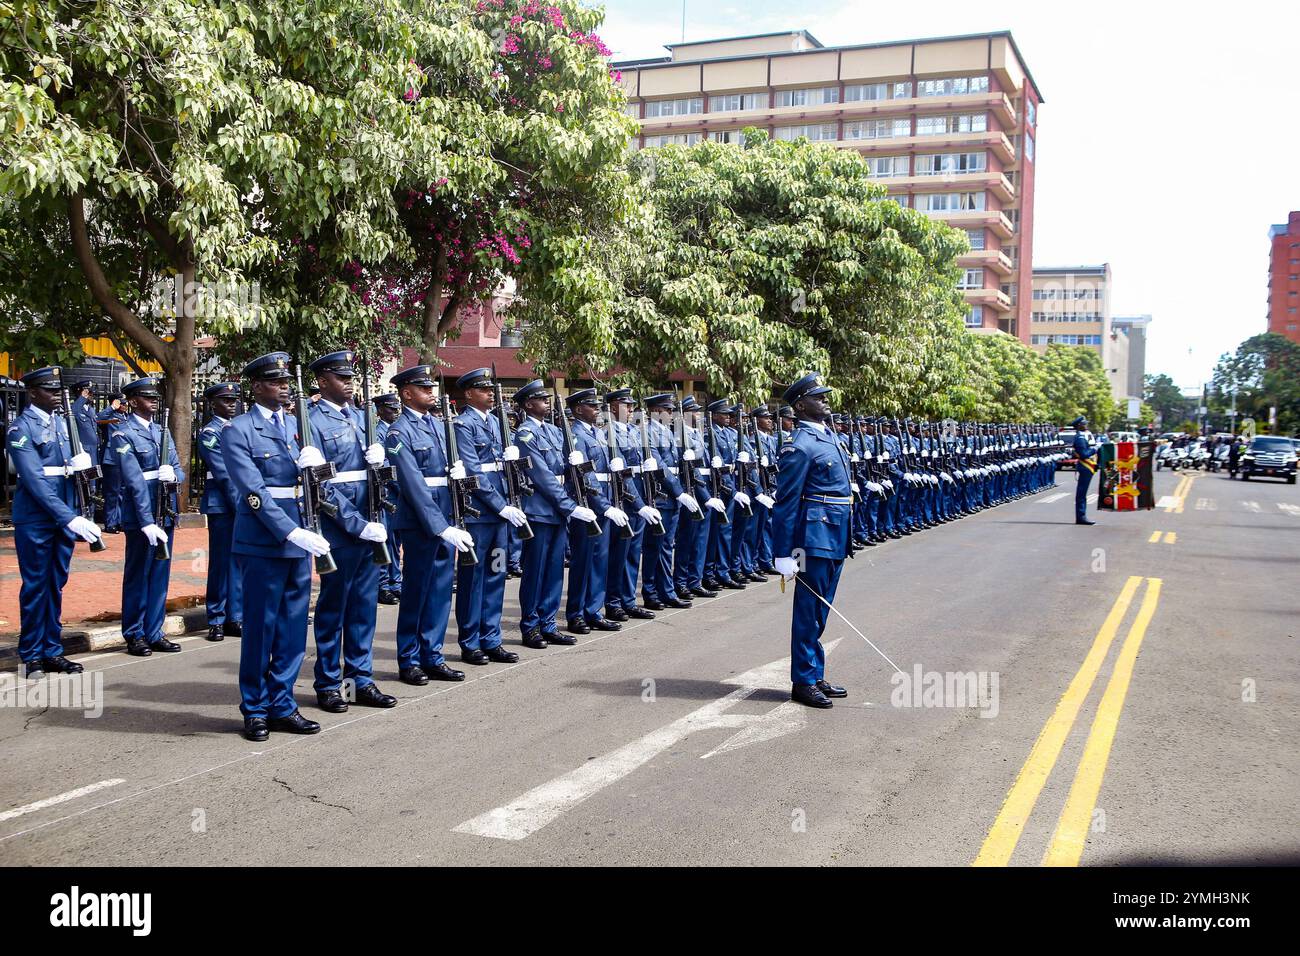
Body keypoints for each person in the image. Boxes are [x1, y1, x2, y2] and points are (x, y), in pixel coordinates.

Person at [222, 352, 327, 741]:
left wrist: (318, 467)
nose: (284, 387)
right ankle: (254, 708)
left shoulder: (298, 426)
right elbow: (252, 492)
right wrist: (288, 531)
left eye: (286, 381)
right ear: (256, 386)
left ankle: (282, 704)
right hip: (265, 541)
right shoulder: (238, 430)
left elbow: (313, 482)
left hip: (300, 536)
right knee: (261, 628)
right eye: (274, 381)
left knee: (293, 627)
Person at [306, 351, 397, 712]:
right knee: (334, 609)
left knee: (363, 608)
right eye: (340, 377)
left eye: (350, 377)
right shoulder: (312, 420)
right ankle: (329, 683)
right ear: (322, 381)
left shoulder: (364, 418)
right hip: (341, 526)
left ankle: (360, 681)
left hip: (371, 520)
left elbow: (377, 475)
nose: (348, 383)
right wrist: (358, 525)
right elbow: (320, 484)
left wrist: (382, 461)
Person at [384, 365, 474, 684]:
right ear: (407, 393)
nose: (430, 392)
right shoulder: (399, 431)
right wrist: (440, 525)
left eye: (430, 387)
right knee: (417, 591)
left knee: (439, 591)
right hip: (420, 519)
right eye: (423, 388)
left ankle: (432, 655)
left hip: (445, 514)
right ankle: (409, 659)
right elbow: (412, 484)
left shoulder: (438, 424)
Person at [6, 367, 98, 679]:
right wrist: (69, 517)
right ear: (32, 393)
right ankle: (31, 654)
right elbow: (34, 481)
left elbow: (70, 471)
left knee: (56, 584)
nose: (58, 395)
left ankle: (52, 650)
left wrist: (83, 465)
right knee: (36, 586)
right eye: (50, 390)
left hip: (64, 516)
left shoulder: (62, 423)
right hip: (36, 518)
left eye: (59, 390)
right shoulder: (20, 430)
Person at [772, 373, 851, 710]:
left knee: (821, 609)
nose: (826, 400)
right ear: (801, 405)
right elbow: (786, 502)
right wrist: (783, 554)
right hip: (813, 536)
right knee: (808, 609)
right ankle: (803, 681)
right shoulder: (799, 444)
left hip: (834, 532)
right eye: (819, 397)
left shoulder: (828, 437)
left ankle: (814, 673)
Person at [102, 377, 184, 657]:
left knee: (160, 573)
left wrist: (173, 475)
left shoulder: (163, 431)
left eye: (154, 397)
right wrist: (146, 519)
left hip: (166, 509)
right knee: (138, 574)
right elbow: (134, 479)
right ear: (133, 401)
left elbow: (178, 468)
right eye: (146, 397)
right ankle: (134, 633)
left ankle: (154, 631)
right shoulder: (122, 433)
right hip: (141, 513)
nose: (153, 401)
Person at [452, 368, 529, 664]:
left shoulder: (498, 423)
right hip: (480, 513)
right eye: (483, 390)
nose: (489, 394)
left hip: (500, 515)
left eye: (490, 389)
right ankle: (470, 642)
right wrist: (500, 505)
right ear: (470, 393)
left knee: (496, 574)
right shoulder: (463, 424)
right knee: (473, 579)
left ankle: (491, 638)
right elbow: (473, 472)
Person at [512, 380, 597, 647]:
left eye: (548, 400)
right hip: (539, 510)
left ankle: (548, 623)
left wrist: (577, 465)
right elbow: (542, 476)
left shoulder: (554, 431)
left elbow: (563, 470)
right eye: (541, 400)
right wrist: (570, 506)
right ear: (528, 404)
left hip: (557, 511)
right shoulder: (525, 434)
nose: (547, 403)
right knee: (535, 571)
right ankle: (531, 626)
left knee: (554, 571)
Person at [564, 388, 628, 634]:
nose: (597, 410)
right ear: (578, 409)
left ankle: (593, 610)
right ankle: (576, 614)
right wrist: (604, 506)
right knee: (583, 562)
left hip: (605, 502)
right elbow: (585, 478)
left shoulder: (599, 434)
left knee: (600, 561)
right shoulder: (575, 436)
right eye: (592, 406)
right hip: (588, 505)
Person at [603, 388, 659, 622]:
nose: (632, 410)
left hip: (639, 496)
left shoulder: (634, 432)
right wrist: (638, 503)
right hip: (623, 498)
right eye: (627, 405)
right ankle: (613, 602)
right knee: (618, 555)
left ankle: (627, 600)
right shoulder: (607, 433)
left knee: (633, 553)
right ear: (614, 407)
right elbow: (620, 474)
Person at [640, 393, 700, 609]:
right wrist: (678, 492)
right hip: (661, 496)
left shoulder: (669, 432)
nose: (672, 413)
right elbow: (659, 467)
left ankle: (665, 591)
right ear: (656, 411)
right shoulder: (647, 432)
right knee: (654, 547)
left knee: (666, 546)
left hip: (673, 497)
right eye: (668, 410)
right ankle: (651, 591)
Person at [197, 382, 243, 642]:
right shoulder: (209, 433)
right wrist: (242, 504)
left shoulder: (238, 429)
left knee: (237, 561)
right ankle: (215, 618)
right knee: (220, 563)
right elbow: (224, 473)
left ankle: (234, 617)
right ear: (213, 403)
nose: (232, 404)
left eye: (234, 400)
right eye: (226, 400)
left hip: (240, 502)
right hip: (222, 504)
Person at [372, 393, 404, 604]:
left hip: (400, 492)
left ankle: (396, 581)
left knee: (397, 540)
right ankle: (384, 584)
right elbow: (384, 465)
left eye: (396, 408)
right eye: (391, 409)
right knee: (388, 541)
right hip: (388, 493)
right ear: (381, 409)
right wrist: (402, 486)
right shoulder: (379, 432)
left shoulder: (396, 429)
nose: (395, 412)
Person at [1071, 415, 1098, 525]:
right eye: (1084, 424)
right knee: (1082, 494)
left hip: (1087, 467)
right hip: (1085, 467)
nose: (1086, 425)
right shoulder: (1080, 438)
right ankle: (1081, 516)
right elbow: (1084, 454)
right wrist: (1094, 449)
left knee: (1082, 493)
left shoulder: (1083, 437)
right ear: (1079, 426)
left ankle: (1081, 516)